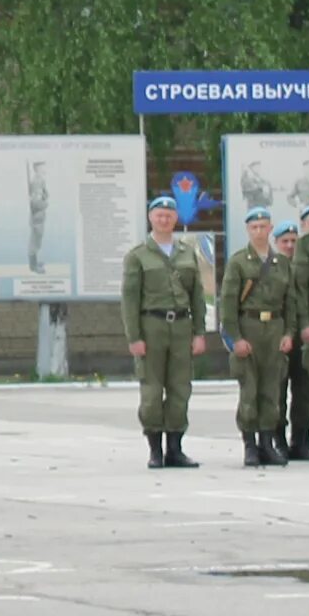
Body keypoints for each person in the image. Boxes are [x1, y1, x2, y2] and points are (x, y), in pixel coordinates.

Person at [122, 194, 205, 468]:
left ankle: (175, 448)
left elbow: (197, 295)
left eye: (169, 215)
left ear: (176, 218)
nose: (164, 219)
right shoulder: (138, 255)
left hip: (181, 326)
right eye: (159, 214)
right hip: (152, 326)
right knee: (152, 391)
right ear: (150, 218)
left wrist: (199, 332)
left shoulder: (186, 252)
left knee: (181, 389)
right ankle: (155, 449)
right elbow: (130, 299)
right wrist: (134, 337)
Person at [220, 206, 295, 467]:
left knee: (271, 390)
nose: (259, 231)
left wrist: (289, 333)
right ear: (248, 230)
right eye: (254, 227)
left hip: (274, 328)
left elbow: (290, 302)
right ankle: (250, 445)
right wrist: (235, 338)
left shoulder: (281, 263)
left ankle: (267, 443)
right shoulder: (239, 262)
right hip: (249, 326)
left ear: (270, 229)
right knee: (249, 389)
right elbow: (228, 304)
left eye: (263, 227)